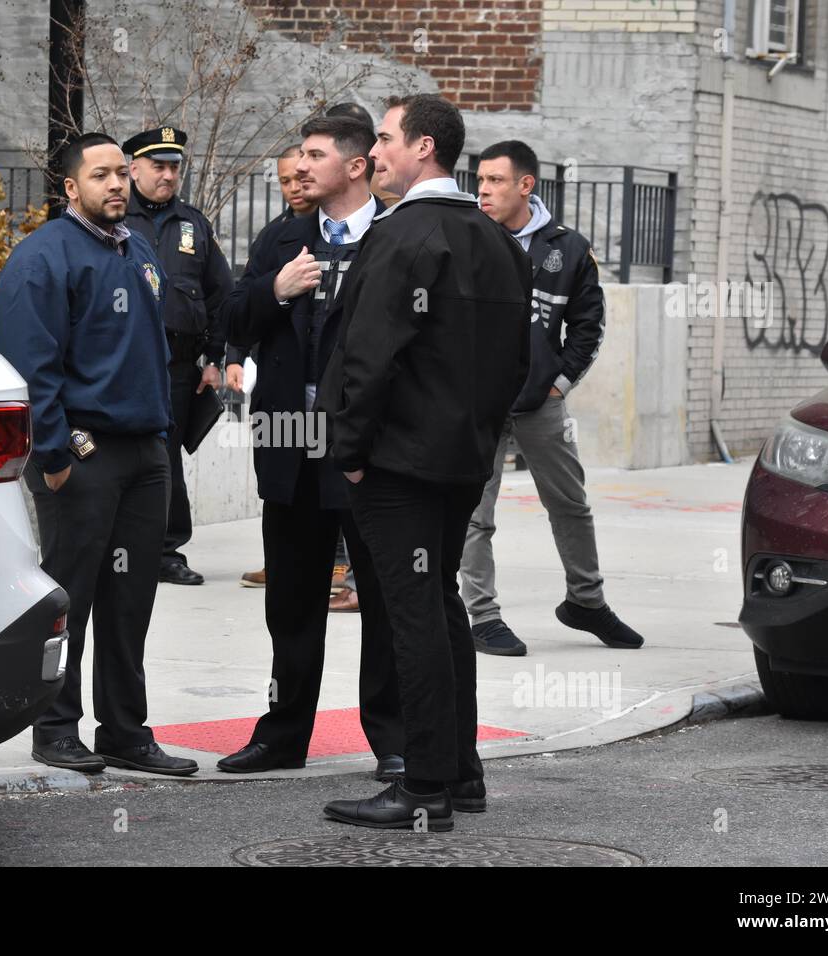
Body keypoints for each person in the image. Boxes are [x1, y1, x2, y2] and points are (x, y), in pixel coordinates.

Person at [317, 94, 532, 830]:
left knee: (415, 619)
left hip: (400, 467)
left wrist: (348, 453)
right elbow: (516, 366)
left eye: (383, 140)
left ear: (425, 149)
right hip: (461, 461)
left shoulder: (404, 235)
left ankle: (425, 786)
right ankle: (460, 776)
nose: (374, 154)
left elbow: (367, 355)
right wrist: (481, 440)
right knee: (441, 609)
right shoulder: (498, 241)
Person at [0, 132, 198, 777]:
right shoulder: (41, 259)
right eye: (101, 175)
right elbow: (31, 370)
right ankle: (55, 728)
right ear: (69, 188)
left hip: (146, 454)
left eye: (120, 174)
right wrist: (54, 457)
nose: (116, 184)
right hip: (81, 456)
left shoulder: (136, 249)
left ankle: (126, 733)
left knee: (131, 601)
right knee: (70, 600)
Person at [218, 115, 404, 780]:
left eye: (316, 155)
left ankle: (394, 739)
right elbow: (232, 317)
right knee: (291, 605)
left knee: (383, 603)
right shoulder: (284, 236)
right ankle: (282, 734)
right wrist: (275, 289)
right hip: (290, 449)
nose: (301, 167)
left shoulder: (395, 234)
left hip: (368, 453)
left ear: (355, 167)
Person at [460, 140, 646, 656]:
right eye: (479, 181)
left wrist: (557, 384)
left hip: (540, 402)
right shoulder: (468, 238)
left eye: (495, 181)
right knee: (475, 513)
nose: (483, 191)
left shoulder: (567, 247)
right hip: (476, 402)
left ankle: (585, 601)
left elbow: (589, 327)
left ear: (526, 185)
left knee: (570, 503)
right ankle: (482, 616)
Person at [122, 126, 234, 588]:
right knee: (119, 453)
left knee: (166, 458)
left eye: (174, 167)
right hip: (123, 363)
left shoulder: (194, 224)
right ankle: (123, 546)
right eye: (158, 166)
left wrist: (214, 355)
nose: (169, 175)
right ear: (133, 169)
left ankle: (167, 551)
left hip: (178, 365)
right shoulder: (114, 219)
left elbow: (222, 294)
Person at [233, 143, 318, 590]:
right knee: (283, 501)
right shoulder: (273, 238)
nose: (295, 186)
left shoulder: (373, 231)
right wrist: (277, 289)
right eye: (286, 180)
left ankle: (343, 568)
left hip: (339, 411)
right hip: (283, 405)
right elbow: (236, 311)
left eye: (303, 176)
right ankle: (280, 563)